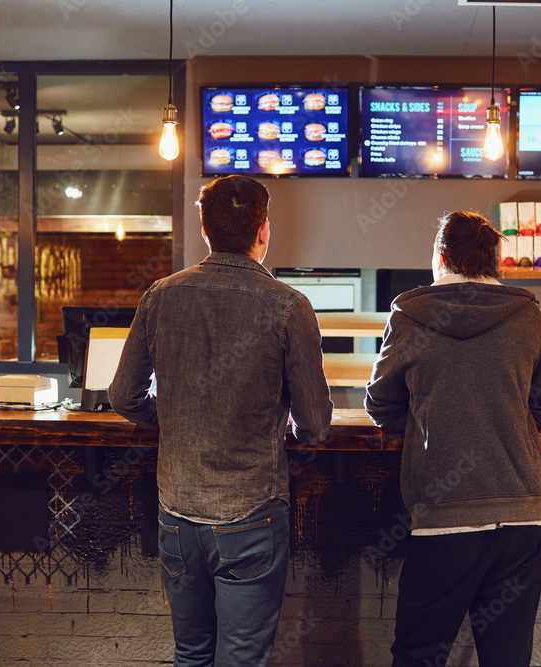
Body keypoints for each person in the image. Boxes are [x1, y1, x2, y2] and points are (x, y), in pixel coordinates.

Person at [109, 174, 333, 667]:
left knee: (191, 654)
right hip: (252, 513)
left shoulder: (161, 295)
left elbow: (123, 396)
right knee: (242, 659)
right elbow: (315, 423)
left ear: (206, 231)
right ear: (263, 232)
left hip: (178, 511)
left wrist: (167, 420)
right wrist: (285, 430)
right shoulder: (289, 306)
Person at [364, 210, 541, 667]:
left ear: (441, 258)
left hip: (445, 518)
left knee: (417, 656)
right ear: (496, 261)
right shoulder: (527, 313)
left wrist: (430, 416)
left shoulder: (410, 313)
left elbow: (379, 405)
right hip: (521, 516)